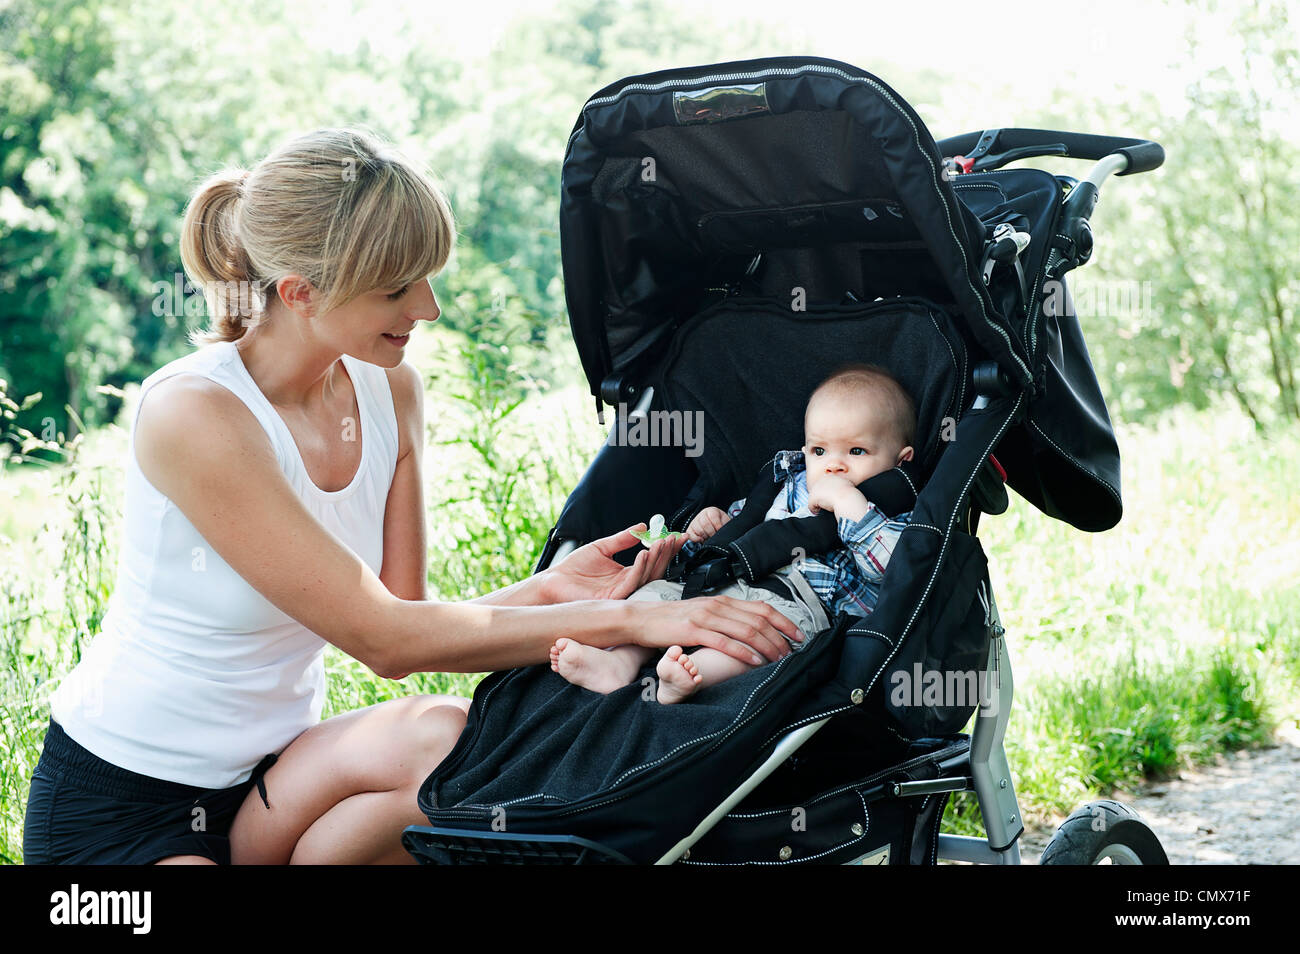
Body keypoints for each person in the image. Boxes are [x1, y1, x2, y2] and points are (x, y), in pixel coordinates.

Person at [21, 128, 802, 867]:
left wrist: (547, 593)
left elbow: (405, 612)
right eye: (398, 288)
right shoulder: (195, 413)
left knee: (443, 736)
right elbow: (385, 639)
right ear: (300, 292)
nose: (427, 308)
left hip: (277, 776)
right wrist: (638, 619)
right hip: (123, 807)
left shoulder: (389, 388)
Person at [550, 364, 915, 704]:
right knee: (652, 598)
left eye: (856, 450)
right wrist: (715, 524)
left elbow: (892, 574)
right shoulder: (790, 482)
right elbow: (748, 521)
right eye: (820, 450)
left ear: (901, 460)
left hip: (796, 604)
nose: (834, 464)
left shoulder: (893, 510)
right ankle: (620, 663)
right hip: (724, 580)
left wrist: (849, 504)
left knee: (760, 643)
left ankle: (694, 675)